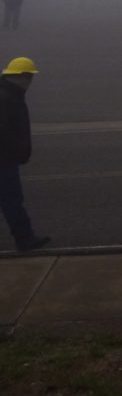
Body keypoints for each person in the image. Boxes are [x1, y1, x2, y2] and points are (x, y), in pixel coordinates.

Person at [0, 57, 49, 253]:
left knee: (11, 200)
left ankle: (25, 237)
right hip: (4, 160)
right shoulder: (8, 98)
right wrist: (17, 151)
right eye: (29, 77)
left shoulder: (9, 93)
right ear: (22, 77)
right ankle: (25, 239)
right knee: (11, 200)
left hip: (6, 158)